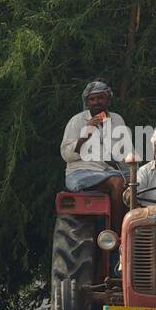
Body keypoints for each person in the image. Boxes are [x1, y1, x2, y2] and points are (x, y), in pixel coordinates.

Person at [60, 80, 129, 225]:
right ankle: (116, 235)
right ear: (87, 102)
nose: (96, 102)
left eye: (100, 98)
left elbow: (127, 153)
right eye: (92, 99)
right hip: (82, 172)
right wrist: (85, 134)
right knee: (117, 183)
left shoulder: (117, 119)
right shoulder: (77, 121)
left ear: (108, 100)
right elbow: (66, 155)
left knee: (139, 185)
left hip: (112, 171)